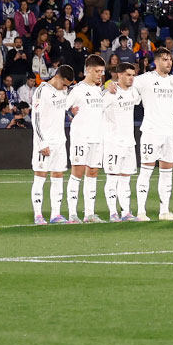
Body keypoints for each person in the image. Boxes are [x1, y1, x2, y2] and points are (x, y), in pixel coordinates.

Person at [134, 48, 173, 221]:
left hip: (169, 132)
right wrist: (112, 85)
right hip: (151, 131)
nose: (169, 62)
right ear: (156, 62)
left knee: (167, 172)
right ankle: (141, 211)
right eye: (165, 59)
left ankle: (165, 211)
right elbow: (126, 84)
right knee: (147, 170)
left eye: (170, 59)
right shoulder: (145, 79)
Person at [29, 64, 75, 224]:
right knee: (40, 176)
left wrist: (71, 112)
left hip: (60, 141)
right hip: (45, 142)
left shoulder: (62, 90)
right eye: (64, 84)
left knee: (58, 176)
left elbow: (61, 108)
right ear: (57, 77)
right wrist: (42, 143)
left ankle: (56, 214)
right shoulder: (41, 91)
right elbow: (35, 119)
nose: (66, 88)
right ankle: (38, 215)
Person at [66, 59, 107, 223]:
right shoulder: (77, 90)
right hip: (81, 137)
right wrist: (70, 113)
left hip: (97, 137)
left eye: (102, 72)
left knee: (93, 173)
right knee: (77, 173)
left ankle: (89, 213)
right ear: (88, 70)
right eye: (97, 71)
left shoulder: (99, 90)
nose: (100, 75)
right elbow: (62, 106)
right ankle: (72, 214)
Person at [100, 59, 141, 223]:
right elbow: (97, 109)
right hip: (113, 142)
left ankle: (126, 211)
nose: (131, 78)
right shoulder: (110, 93)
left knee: (126, 178)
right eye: (128, 75)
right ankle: (112, 212)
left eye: (133, 75)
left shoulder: (133, 92)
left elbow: (138, 99)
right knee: (112, 178)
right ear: (119, 75)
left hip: (129, 142)